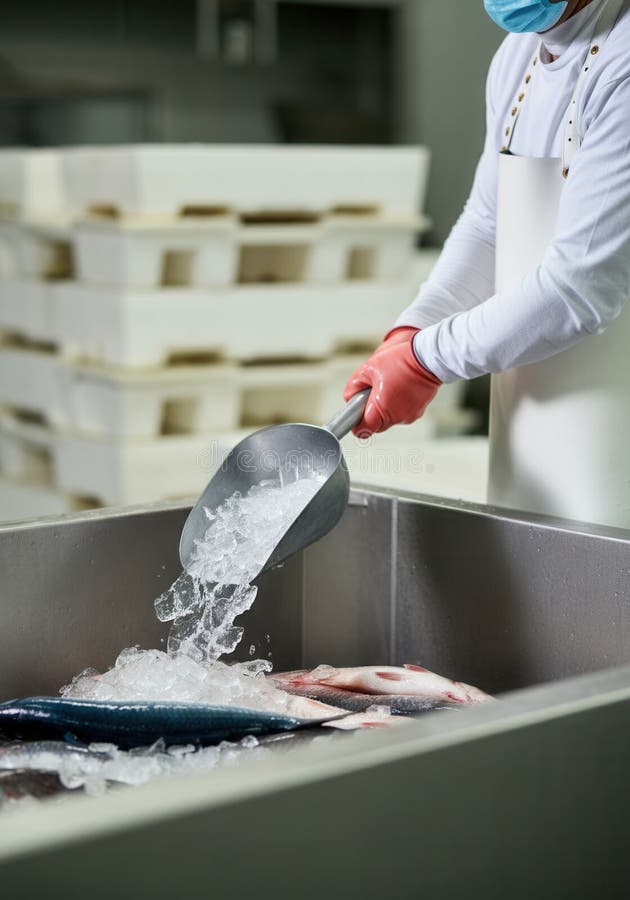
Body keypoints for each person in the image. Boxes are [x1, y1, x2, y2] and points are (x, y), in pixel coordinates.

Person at [345, 0, 630, 528]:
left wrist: (426, 360)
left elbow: (581, 286)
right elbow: (486, 224)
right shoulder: (516, 57)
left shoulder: (623, 60)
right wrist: (412, 327)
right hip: (531, 439)